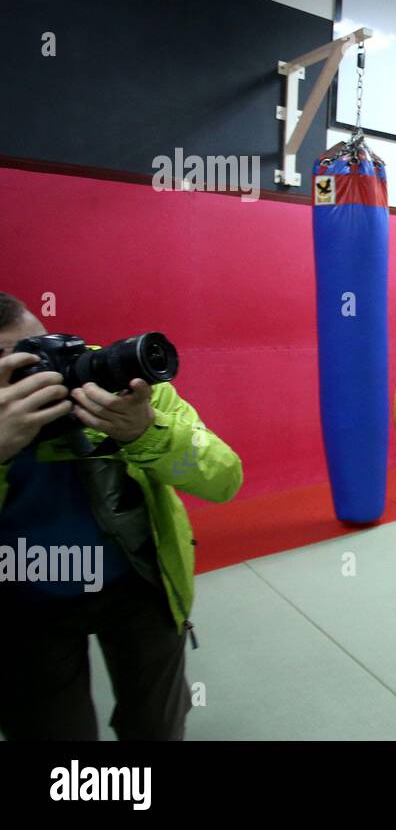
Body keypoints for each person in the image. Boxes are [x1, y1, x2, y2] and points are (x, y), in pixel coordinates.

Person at [0, 293, 243, 739]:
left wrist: (146, 433)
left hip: (139, 582)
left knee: (156, 724)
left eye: (42, 349)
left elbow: (223, 479)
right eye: (19, 366)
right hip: (21, 603)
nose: (43, 375)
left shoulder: (114, 380)